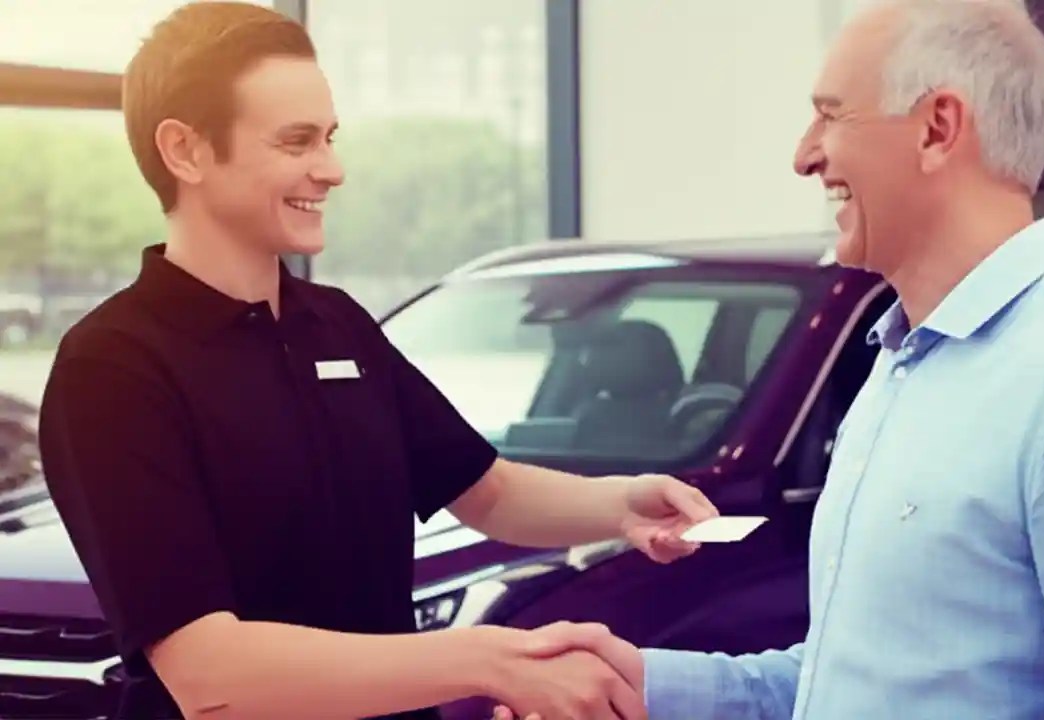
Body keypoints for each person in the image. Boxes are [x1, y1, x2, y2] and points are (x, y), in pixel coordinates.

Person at [495, 0, 1044, 718]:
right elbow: (853, 687)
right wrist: (646, 686)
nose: (803, 155)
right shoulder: (899, 365)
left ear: (937, 129)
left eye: (830, 114)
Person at [36, 3, 717, 719]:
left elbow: (489, 491)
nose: (332, 170)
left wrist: (621, 504)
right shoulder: (112, 369)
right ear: (186, 151)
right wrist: (488, 661)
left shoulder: (338, 325)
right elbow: (213, 679)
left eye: (329, 138)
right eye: (297, 142)